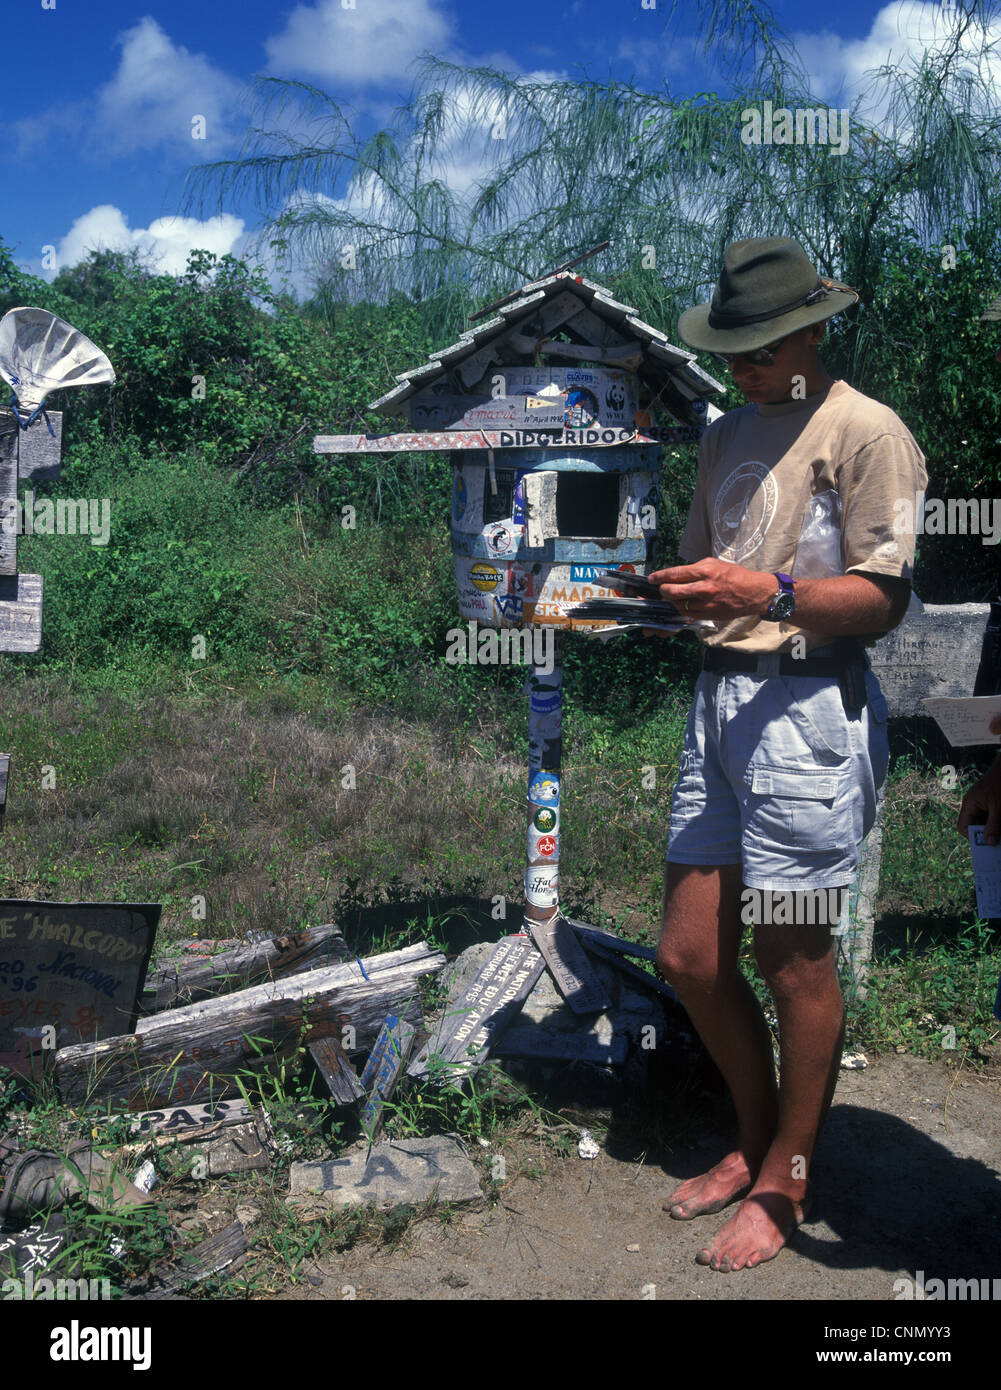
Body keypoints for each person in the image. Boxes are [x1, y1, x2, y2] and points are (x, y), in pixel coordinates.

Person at [647, 237, 928, 1271]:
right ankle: (756, 1135)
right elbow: (715, 566)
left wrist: (760, 595)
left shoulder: (867, 433)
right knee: (688, 954)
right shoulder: (724, 435)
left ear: (813, 329)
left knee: (790, 955)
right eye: (733, 348)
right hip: (718, 704)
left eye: (761, 347)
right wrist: (655, 598)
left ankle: (786, 1177)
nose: (744, 365)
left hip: (807, 717)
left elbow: (882, 598)